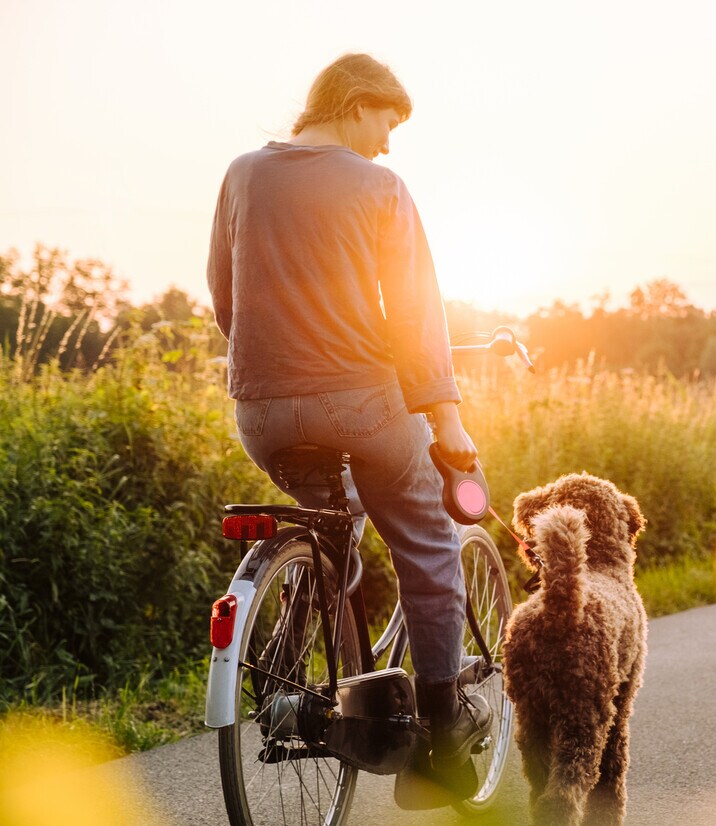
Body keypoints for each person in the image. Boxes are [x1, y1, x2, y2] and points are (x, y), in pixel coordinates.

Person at [206, 53, 491, 780]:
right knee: (427, 542)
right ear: (358, 103)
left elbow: (224, 299)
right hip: (363, 404)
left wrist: (273, 371)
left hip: (261, 411)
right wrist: (447, 417)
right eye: (387, 123)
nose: (388, 142)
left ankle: (330, 690)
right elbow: (416, 312)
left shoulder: (243, 172)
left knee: (331, 538)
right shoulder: (379, 186)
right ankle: (441, 748)